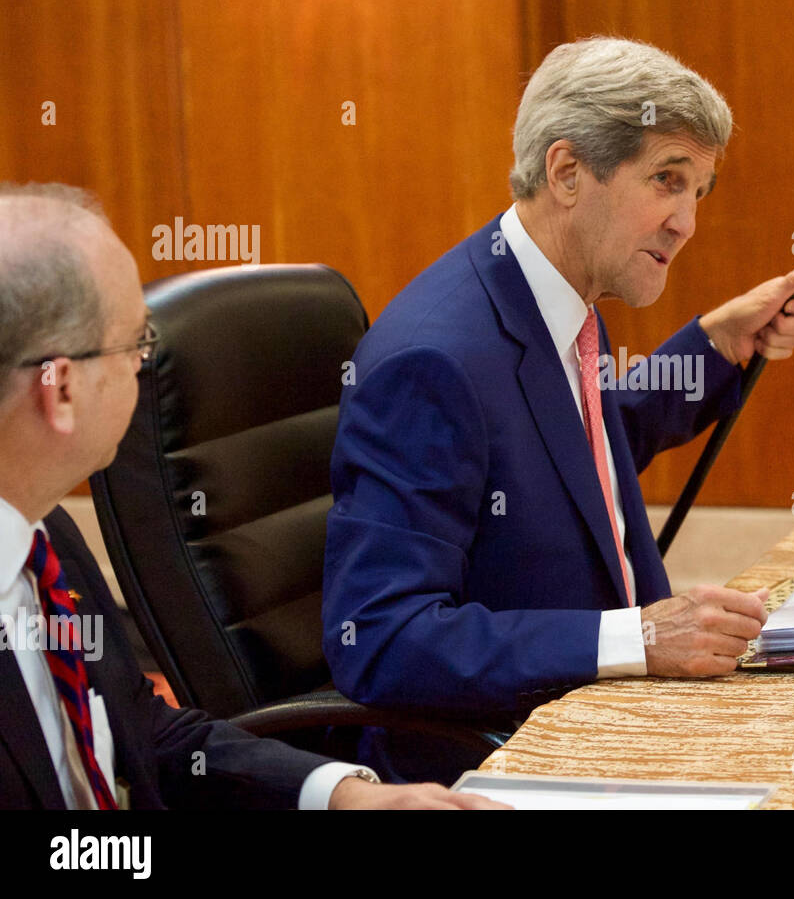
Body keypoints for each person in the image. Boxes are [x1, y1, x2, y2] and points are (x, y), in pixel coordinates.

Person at [323, 37, 794, 721]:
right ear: (566, 172)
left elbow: (562, 454)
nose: (688, 223)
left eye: (697, 191)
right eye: (666, 180)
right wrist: (638, 637)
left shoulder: (554, 294)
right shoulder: (432, 363)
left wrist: (715, 345)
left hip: (614, 713)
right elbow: (383, 639)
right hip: (509, 752)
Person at [0, 183, 504, 809]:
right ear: (63, 391)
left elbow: (143, 729)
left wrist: (346, 794)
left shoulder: (40, 531)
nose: (143, 366)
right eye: (136, 345)